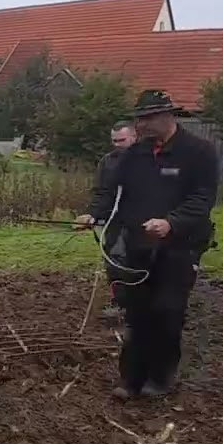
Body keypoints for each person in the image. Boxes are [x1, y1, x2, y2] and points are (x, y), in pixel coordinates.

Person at [74, 90, 218, 400]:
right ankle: (131, 380)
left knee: (167, 310)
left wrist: (171, 223)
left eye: (147, 118)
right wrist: (93, 216)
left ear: (167, 116)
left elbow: (202, 199)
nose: (141, 125)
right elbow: (111, 193)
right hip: (137, 245)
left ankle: (160, 376)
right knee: (137, 314)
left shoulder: (199, 152)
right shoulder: (133, 155)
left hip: (180, 246)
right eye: (139, 118)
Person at [95, 121, 138, 320]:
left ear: (134, 137)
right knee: (114, 260)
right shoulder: (107, 161)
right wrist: (92, 214)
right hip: (113, 219)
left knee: (139, 262)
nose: (117, 145)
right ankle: (120, 303)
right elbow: (101, 192)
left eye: (122, 140)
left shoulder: (149, 159)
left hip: (142, 220)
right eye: (114, 141)